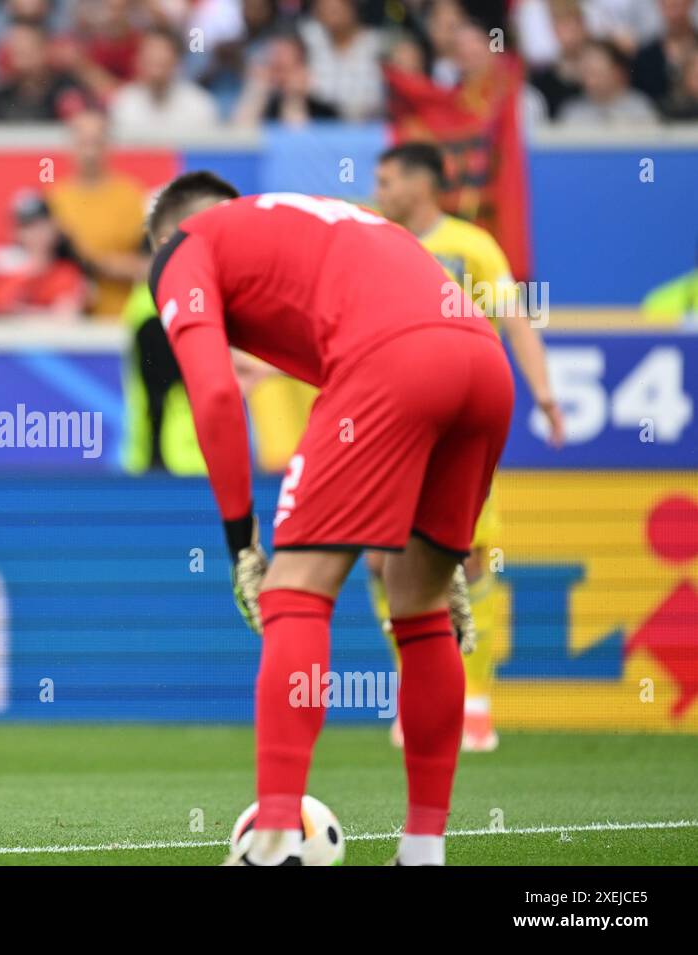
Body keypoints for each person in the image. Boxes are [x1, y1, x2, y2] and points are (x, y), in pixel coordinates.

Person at [147, 173, 513, 866]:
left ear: (165, 237)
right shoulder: (332, 220)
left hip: (397, 361)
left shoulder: (185, 246)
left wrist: (241, 541)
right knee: (422, 605)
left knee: (294, 591)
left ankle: (276, 840)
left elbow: (217, 394)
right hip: (484, 368)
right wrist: (442, 541)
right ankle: (423, 849)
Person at [372, 142, 564, 752]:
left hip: (456, 429)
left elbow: (515, 322)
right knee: (383, 559)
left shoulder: (470, 247)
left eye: (386, 179)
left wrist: (545, 392)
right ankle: (416, 693)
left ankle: (475, 699)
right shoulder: (373, 242)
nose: (378, 190)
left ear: (420, 184)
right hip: (387, 425)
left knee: (467, 558)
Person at [45, 108, 147, 319]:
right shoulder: (55, 200)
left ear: (109, 147)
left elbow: (151, 264)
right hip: (70, 319)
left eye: (97, 143)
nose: (90, 152)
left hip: (123, 316)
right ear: (70, 147)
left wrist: (98, 263)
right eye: (83, 143)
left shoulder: (130, 196)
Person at [109, 26, 219, 133]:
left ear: (177, 61)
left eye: (163, 53)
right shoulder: (124, 103)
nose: (157, 57)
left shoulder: (199, 104)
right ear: (138, 60)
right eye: (150, 53)